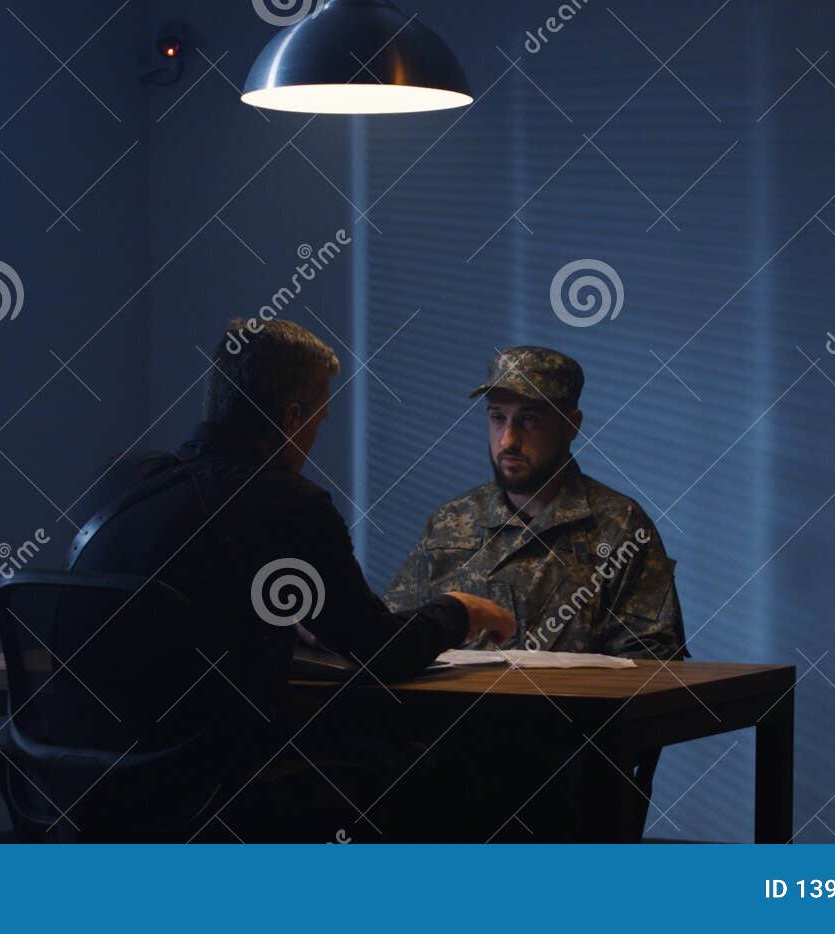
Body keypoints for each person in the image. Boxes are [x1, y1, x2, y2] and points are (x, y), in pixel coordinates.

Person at [65, 318, 515, 841]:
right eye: (318, 422)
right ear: (293, 417)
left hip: (89, 790)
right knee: (434, 770)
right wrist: (459, 609)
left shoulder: (121, 482)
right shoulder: (287, 502)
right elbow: (381, 650)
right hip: (212, 793)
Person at [385, 346, 686, 661]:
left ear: (571, 425)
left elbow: (653, 666)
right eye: (498, 418)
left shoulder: (620, 526)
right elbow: (393, 646)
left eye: (528, 420)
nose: (508, 441)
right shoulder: (450, 522)